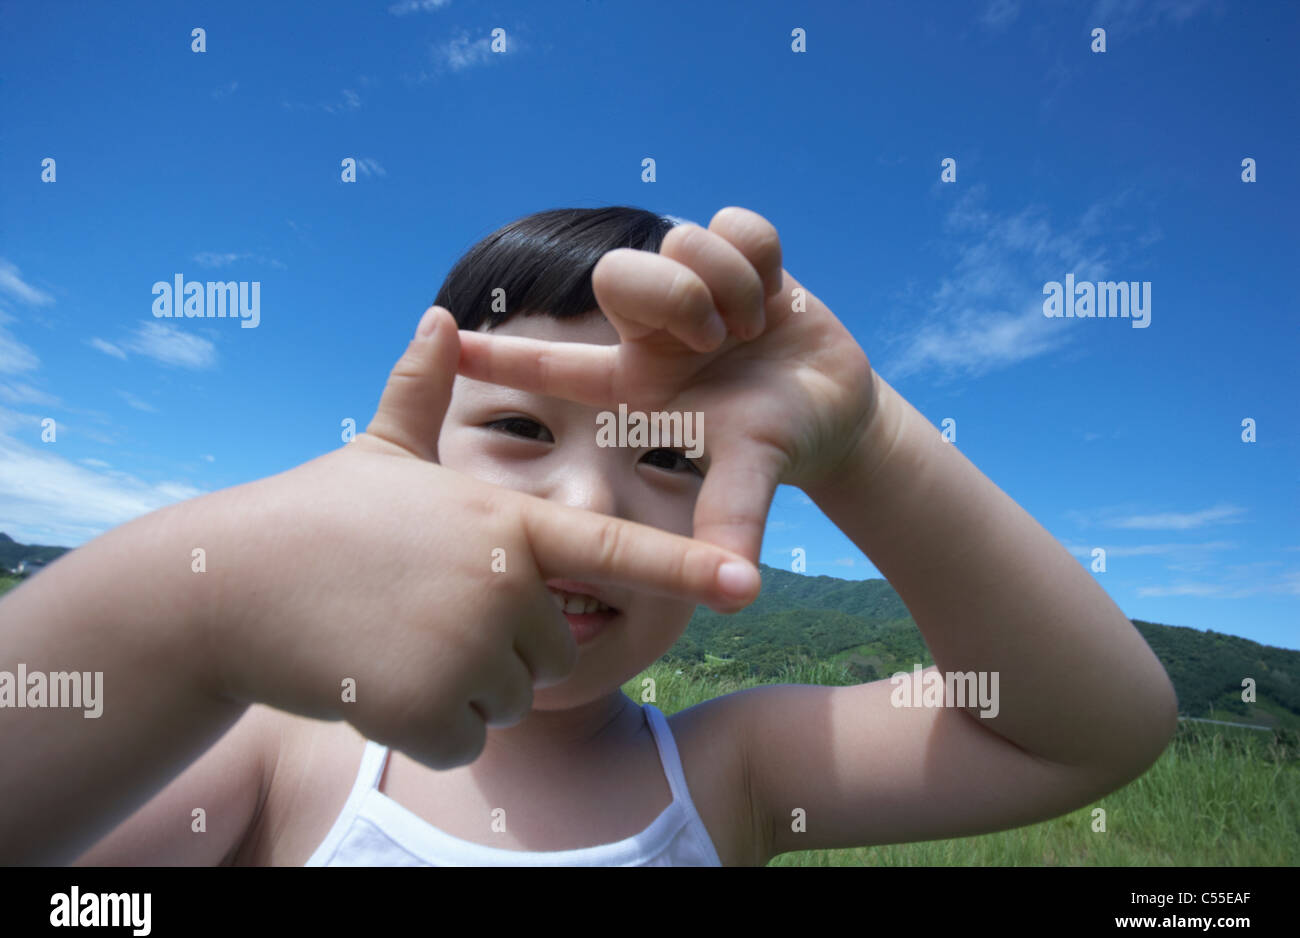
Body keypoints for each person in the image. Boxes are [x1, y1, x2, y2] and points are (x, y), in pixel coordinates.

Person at [0, 205, 1179, 866]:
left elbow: (1088, 732)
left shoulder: (729, 771)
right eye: (516, 426)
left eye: (669, 455)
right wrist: (204, 607)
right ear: (410, 456)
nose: (583, 507)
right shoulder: (277, 751)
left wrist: (870, 441)